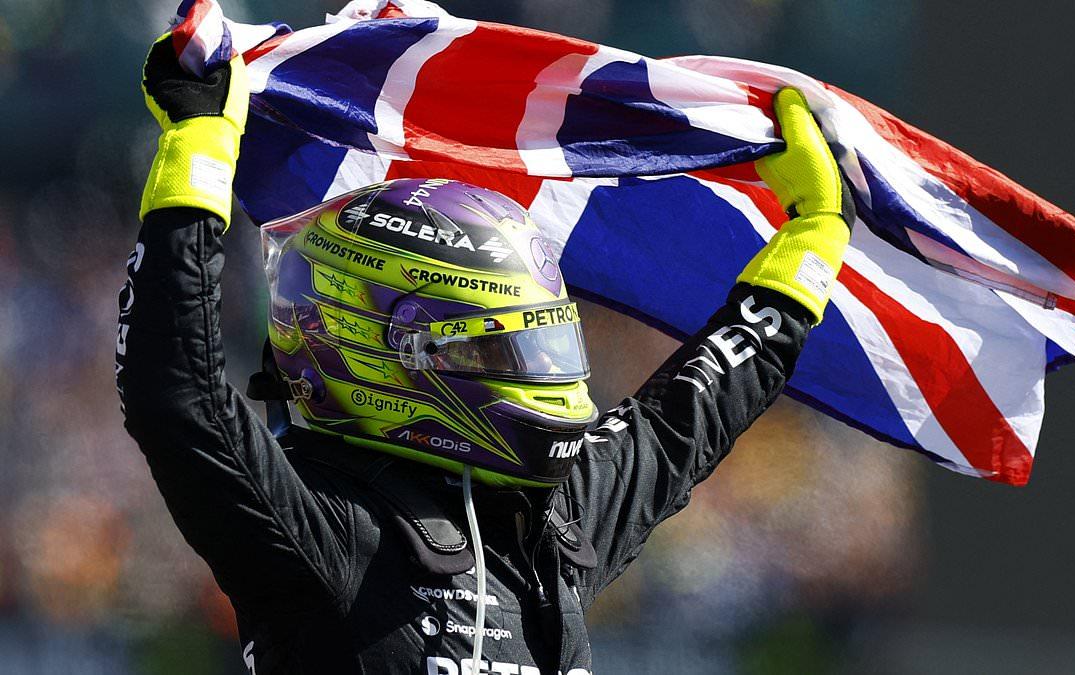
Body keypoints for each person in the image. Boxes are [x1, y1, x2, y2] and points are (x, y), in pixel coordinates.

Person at [116, 32, 854, 675]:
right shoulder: (321, 525)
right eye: (498, 345)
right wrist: (199, 149)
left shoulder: (547, 516)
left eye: (541, 336)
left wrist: (810, 246)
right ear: (395, 350)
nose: (540, 370)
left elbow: (684, 420)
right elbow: (176, 395)